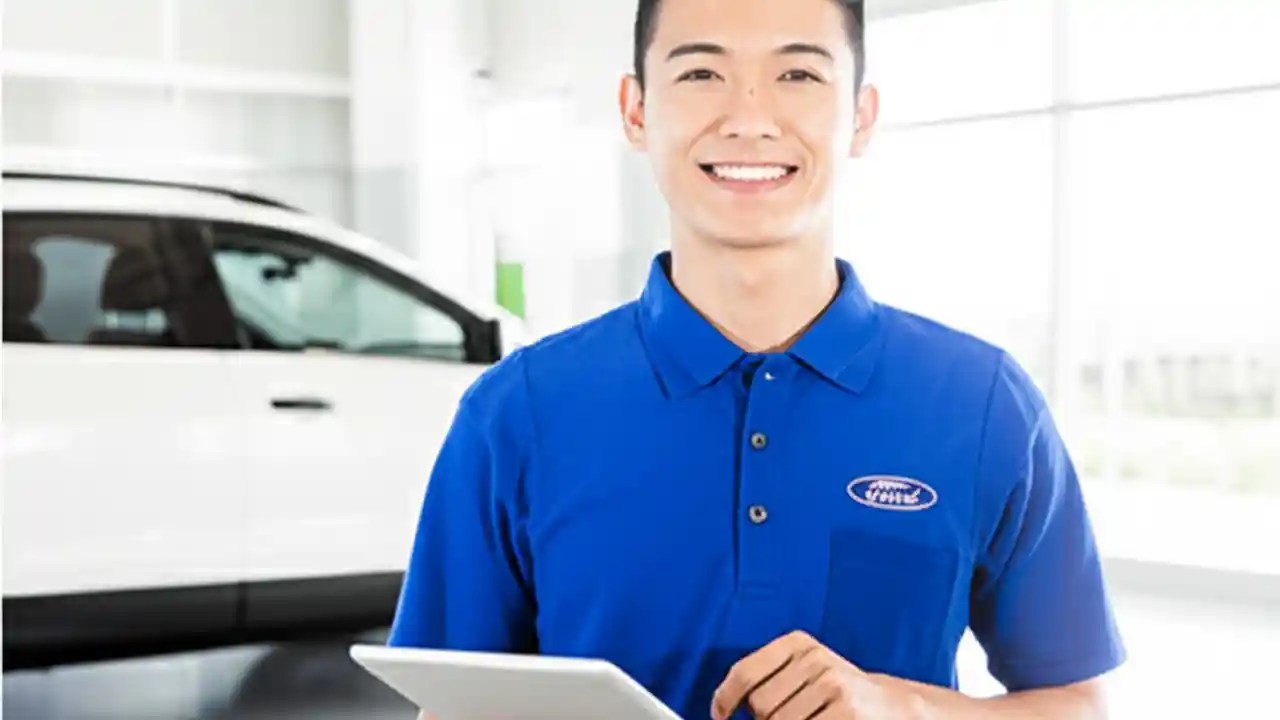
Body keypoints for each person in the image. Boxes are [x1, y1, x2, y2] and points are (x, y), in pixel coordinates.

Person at [388, 0, 1126, 717]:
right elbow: (450, 706)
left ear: (861, 117)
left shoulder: (983, 402)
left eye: (798, 75)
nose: (747, 117)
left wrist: (903, 709)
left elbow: (1079, 704)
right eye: (701, 74)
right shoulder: (517, 413)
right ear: (636, 110)